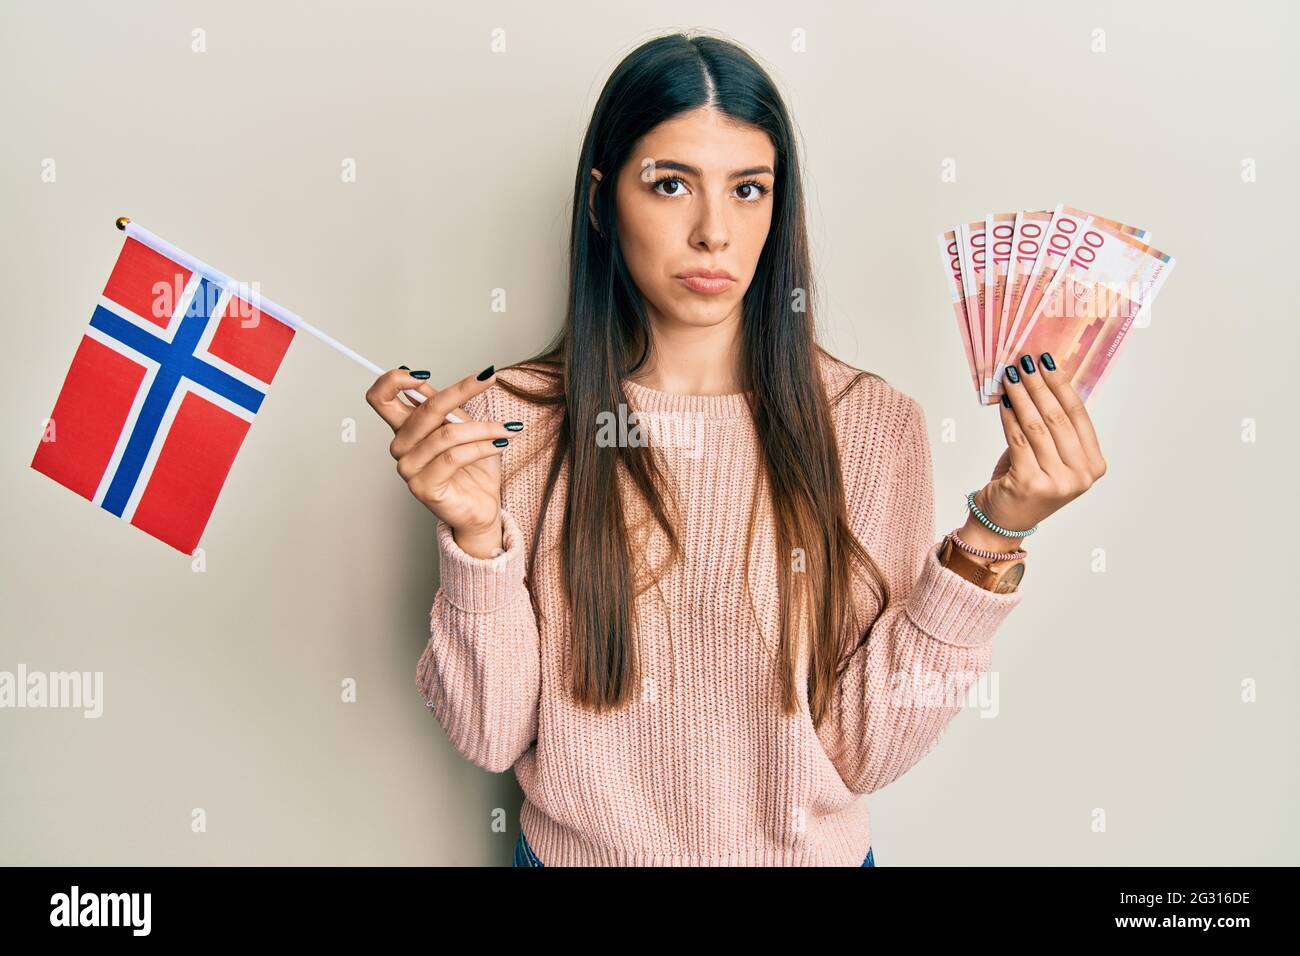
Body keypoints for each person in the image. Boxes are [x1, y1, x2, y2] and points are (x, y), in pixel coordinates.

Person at [365, 32, 1106, 866]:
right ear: (603, 202)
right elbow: (492, 732)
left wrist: (994, 536)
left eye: (748, 189)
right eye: (671, 184)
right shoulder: (512, 420)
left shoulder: (873, 427)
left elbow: (870, 753)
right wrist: (477, 544)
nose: (714, 232)